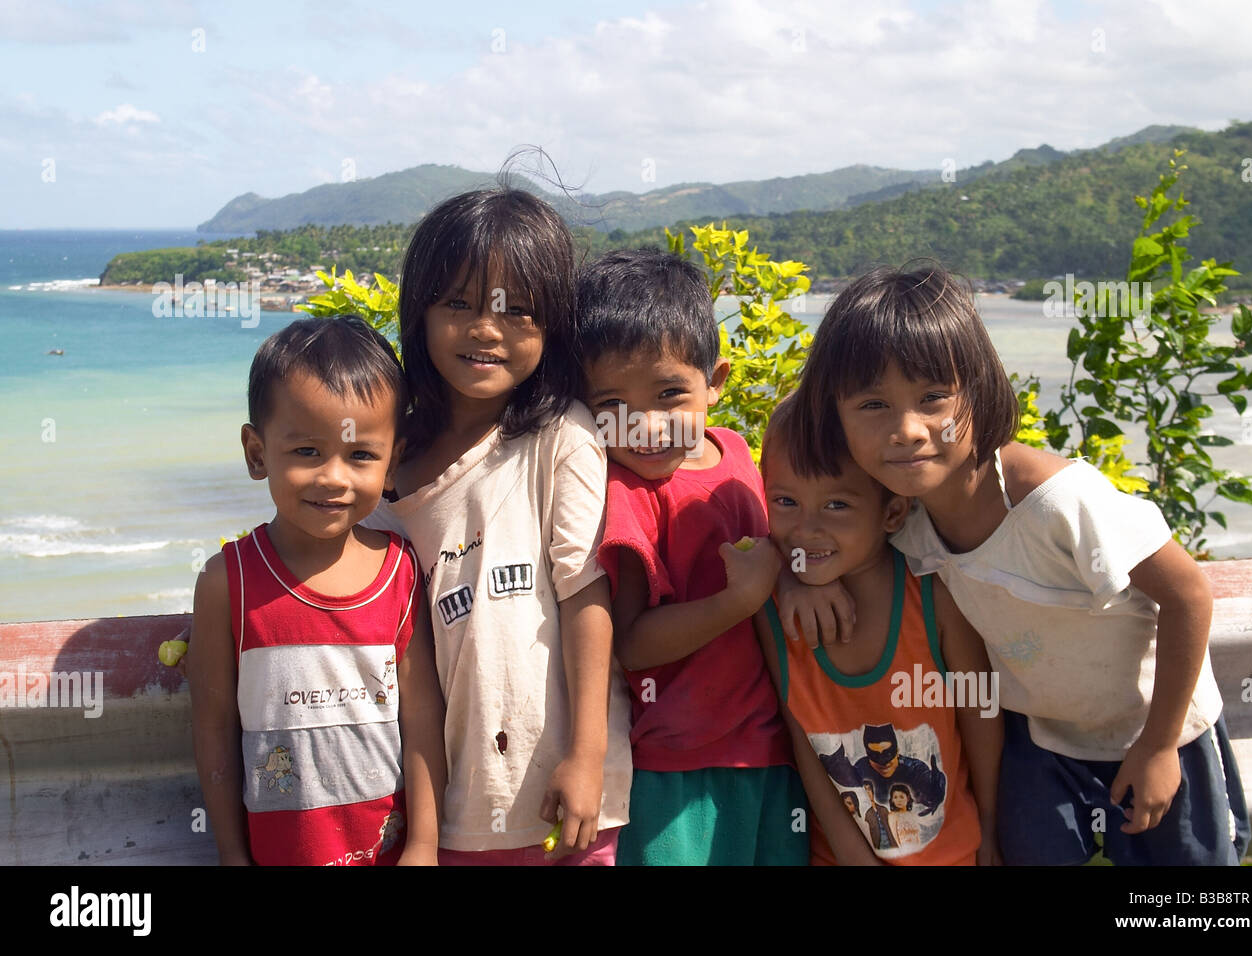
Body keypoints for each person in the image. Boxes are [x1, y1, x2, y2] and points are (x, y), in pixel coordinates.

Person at [787, 262, 1251, 865]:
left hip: (1160, 729)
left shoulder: (1059, 501)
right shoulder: (906, 521)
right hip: (1041, 740)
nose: (906, 430)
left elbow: (1188, 594)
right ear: (837, 418)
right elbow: (813, 535)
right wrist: (792, 577)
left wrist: (1160, 748)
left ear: (977, 390)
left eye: (933, 398)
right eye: (872, 405)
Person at [362, 188, 633, 865]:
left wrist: (586, 756)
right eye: (459, 303)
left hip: (567, 801)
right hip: (455, 805)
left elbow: (585, 594)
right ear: (418, 311)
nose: (486, 328)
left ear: (552, 325)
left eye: (517, 311)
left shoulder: (559, 438)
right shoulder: (387, 469)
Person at [576, 248, 806, 865]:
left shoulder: (736, 452)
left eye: (670, 393)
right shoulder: (628, 494)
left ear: (718, 381)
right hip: (679, 761)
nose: (645, 426)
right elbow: (631, 642)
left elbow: (784, 548)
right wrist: (737, 601)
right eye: (611, 407)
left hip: (773, 746)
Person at [188, 315, 444, 866]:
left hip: (386, 853)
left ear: (393, 459)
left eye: (360, 456)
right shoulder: (226, 583)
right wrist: (232, 853)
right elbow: (213, 728)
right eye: (307, 452)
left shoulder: (400, 572)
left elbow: (421, 718)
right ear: (257, 454)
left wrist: (423, 844)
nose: (334, 477)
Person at [756, 394, 999, 865]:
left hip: (954, 853)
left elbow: (981, 714)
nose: (807, 529)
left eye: (837, 505)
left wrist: (992, 828)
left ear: (892, 512)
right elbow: (806, 746)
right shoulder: (770, 610)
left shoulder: (931, 594)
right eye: (785, 501)